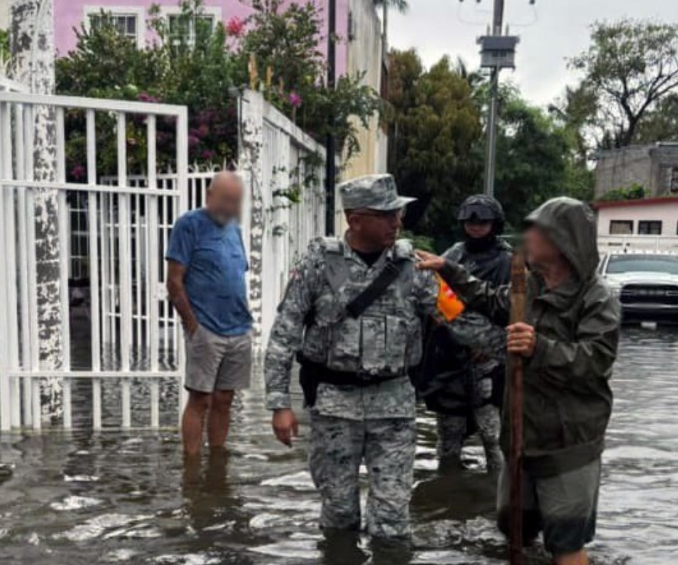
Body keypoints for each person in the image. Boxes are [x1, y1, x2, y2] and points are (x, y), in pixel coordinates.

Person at [415, 198, 620, 565]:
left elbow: (595, 360)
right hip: (522, 434)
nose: (527, 237)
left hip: (568, 440)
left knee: (565, 540)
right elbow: (490, 302)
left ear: (561, 242)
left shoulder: (597, 297)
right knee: (514, 530)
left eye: (537, 231)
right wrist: (449, 270)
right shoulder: (528, 286)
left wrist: (538, 347)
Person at [265, 174, 453, 542]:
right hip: (335, 408)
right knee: (339, 515)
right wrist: (278, 403)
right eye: (386, 215)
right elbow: (285, 333)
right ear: (355, 220)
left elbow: (455, 318)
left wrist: (511, 336)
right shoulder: (319, 264)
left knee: (392, 520)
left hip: (394, 407)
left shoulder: (412, 267)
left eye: (397, 213)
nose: (396, 222)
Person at [419, 194, 512, 472]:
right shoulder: (454, 255)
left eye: (482, 222)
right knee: (450, 434)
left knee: (493, 435)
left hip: (490, 360)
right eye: (470, 222)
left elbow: (511, 308)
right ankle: (448, 493)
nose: (475, 227)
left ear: (494, 224)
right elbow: (434, 295)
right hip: (451, 357)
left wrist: (492, 343)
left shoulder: (507, 261)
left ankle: (498, 498)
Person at [166, 171, 251, 456]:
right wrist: (193, 325)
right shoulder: (189, 225)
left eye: (236, 201)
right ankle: (191, 467)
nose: (230, 206)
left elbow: (236, 275)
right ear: (210, 196)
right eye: (226, 199)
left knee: (225, 398)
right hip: (206, 328)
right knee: (200, 399)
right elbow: (174, 281)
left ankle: (217, 461)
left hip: (238, 328)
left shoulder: (234, 229)